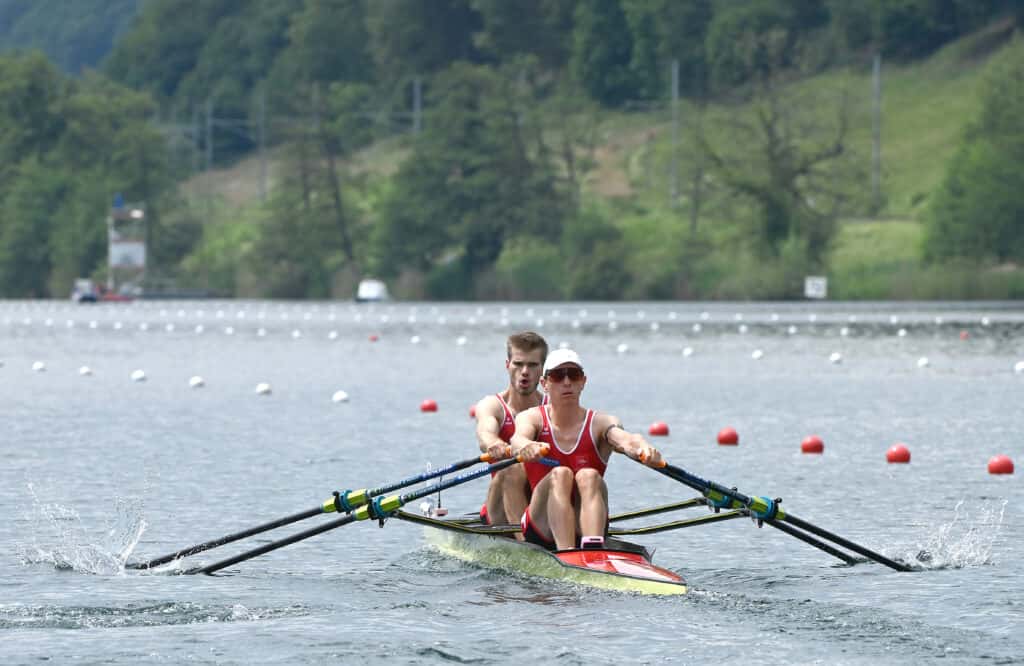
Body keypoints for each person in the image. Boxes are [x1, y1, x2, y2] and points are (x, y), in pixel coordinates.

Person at [510, 348, 664, 551]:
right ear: (545, 384)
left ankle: (593, 549)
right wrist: (527, 447)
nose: (567, 383)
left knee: (589, 475)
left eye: (573, 375)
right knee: (561, 474)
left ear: (583, 381)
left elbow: (626, 440)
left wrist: (643, 449)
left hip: (587, 525)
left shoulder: (602, 422)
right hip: (541, 526)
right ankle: (568, 553)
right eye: (558, 376)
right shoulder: (531, 418)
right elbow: (517, 439)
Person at [474, 331, 549, 534]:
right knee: (512, 468)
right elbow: (485, 432)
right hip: (499, 511)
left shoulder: (554, 408)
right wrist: (494, 444)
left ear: (543, 369)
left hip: (543, 501)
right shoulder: (492, 406)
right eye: (518, 364)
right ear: (508, 365)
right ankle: (525, 545)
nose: (524, 371)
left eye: (532, 365)